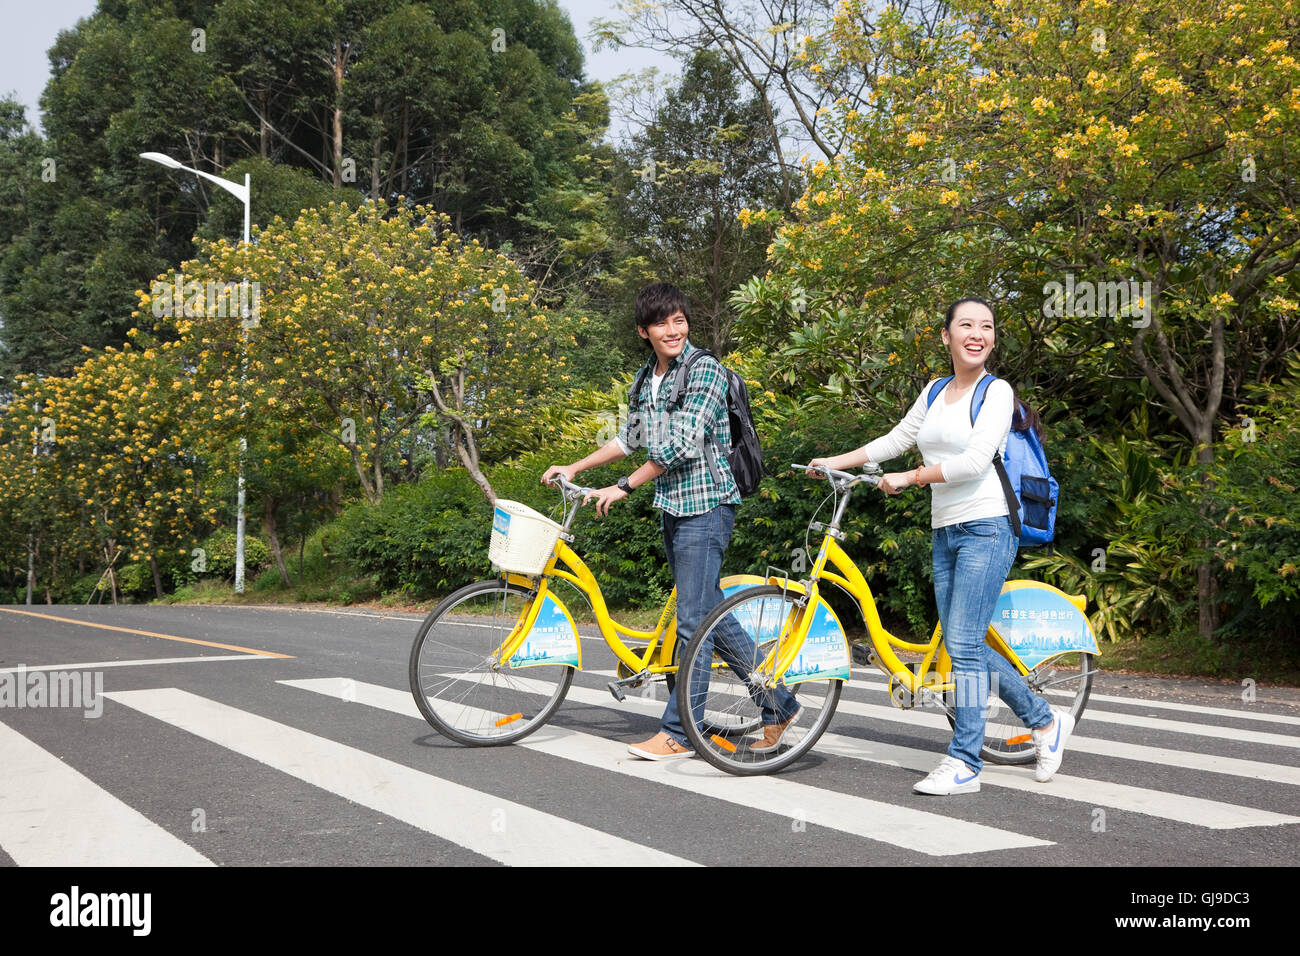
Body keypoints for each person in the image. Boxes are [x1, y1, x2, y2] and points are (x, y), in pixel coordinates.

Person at [809, 297, 1074, 794]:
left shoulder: (997, 392)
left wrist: (909, 478)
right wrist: (836, 460)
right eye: (967, 325)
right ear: (947, 336)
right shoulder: (934, 391)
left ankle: (965, 762)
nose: (978, 333)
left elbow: (975, 462)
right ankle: (1044, 720)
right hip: (945, 528)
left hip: (988, 526)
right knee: (962, 644)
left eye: (988, 327)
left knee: (966, 645)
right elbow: (894, 439)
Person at [542, 282, 801, 760]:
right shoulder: (647, 378)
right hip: (673, 507)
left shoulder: (705, 371)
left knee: (691, 624)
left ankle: (682, 731)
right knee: (707, 614)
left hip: (706, 506)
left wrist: (622, 487)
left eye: (679, 320)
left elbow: (680, 444)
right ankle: (778, 704)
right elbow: (630, 438)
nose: (673, 330)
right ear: (644, 331)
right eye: (662, 323)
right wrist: (576, 467)